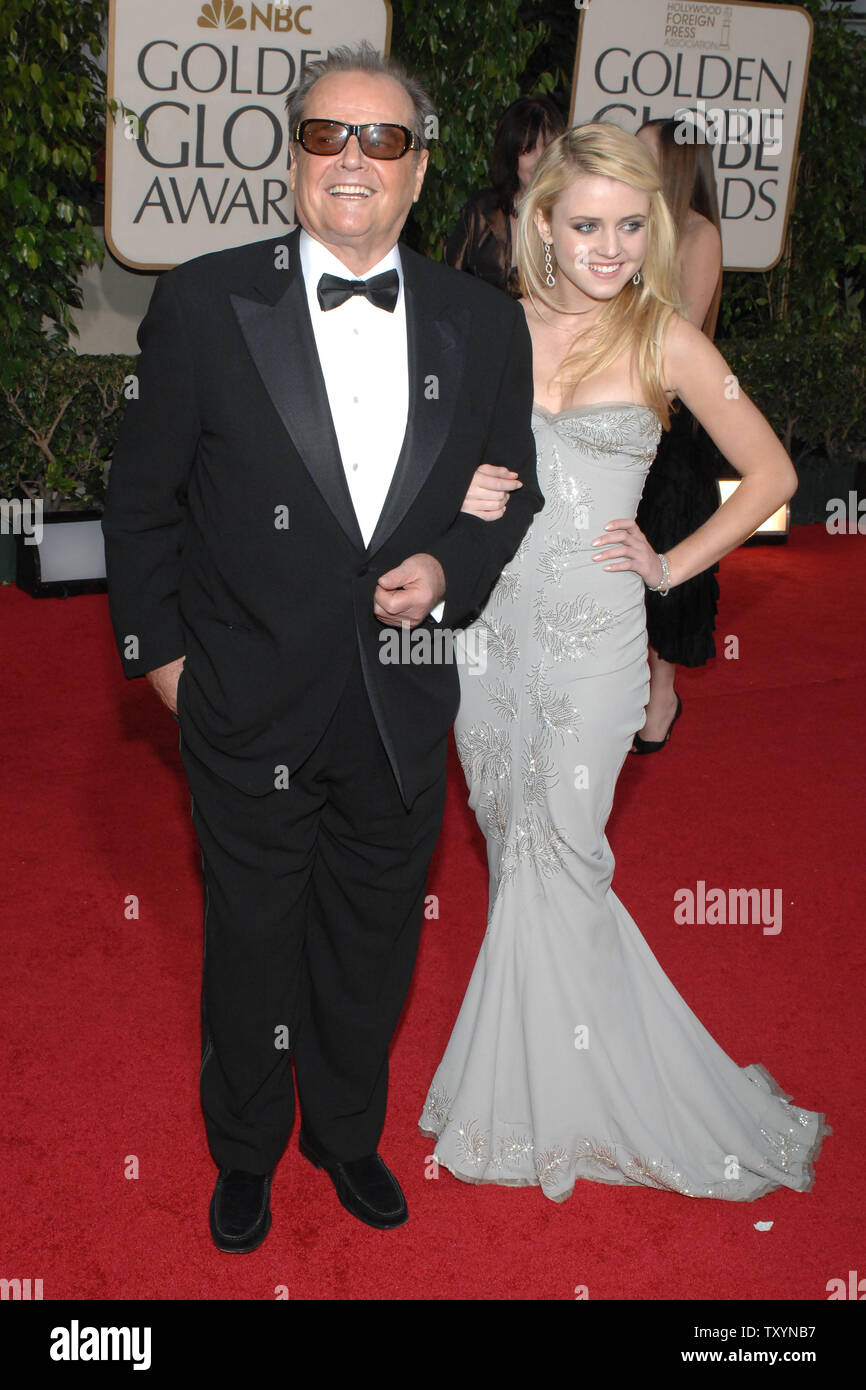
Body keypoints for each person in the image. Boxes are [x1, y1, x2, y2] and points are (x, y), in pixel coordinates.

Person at [102, 43, 542, 1252]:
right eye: (324, 135)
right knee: (248, 940)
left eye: (381, 140)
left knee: (371, 937)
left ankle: (345, 1132)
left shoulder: (480, 320)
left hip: (399, 694)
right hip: (242, 690)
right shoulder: (203, 301)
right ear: (294, 157)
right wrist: (165, 667)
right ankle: (243, 1150)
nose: (351, 159)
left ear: (415, 172)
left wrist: (452, 565)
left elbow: (513, 490)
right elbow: (139, 501)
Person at [420, 123, 828, 1202]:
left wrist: (668, 565)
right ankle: (545, 1084)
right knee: (515, 855)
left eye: (629, 225)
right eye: (586, 223)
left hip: (594, 643)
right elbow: (427, 456)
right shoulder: (491, 327)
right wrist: (453, 493)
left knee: (565, 856)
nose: (607, 246)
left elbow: (769, 472)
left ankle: (580, 1104)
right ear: (541, 224)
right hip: (485, 633)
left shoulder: (665, 341)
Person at [632, 117, 724, 751]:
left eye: (643, 153)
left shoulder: (698, 235)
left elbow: (681, 335)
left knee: (666, 553)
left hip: (670, 423)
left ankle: (662, 693)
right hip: (618, 410)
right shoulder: (629, 231)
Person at [445, 95, 565, 296]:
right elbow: (446, 282)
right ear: (510, 154)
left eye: (546, 150)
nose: (539, 162)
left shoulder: (573, 216)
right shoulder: (481, 211)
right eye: (528, 150)